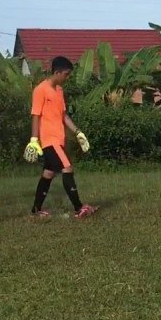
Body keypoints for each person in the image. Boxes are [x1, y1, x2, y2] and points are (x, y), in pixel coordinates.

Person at [24, 56, 97, 218]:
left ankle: (36, 210)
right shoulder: (40, 90)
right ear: (56, 72)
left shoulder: (59, 91)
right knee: (67, 168)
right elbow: (35, 115)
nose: (67, 77)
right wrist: (34, 140)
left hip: (59, 139)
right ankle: (79, 209)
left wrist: (78, 132)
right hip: (50, 140)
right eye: (66, 74)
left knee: (48, 173)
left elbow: (63, 115)